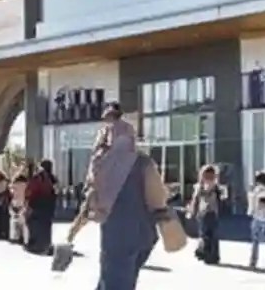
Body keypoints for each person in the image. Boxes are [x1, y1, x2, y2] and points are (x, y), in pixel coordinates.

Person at [92, 113, 173, 289]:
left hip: (116, 234)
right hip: (143, 233)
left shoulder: (102, 162)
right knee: (118, 279)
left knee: (114, 280)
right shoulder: (143, 162)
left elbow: (94, 199)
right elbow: (158, 197)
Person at [188, 165, 224, 265]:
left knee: (207, 235)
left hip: (207, 212)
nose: (209, 178)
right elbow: (195, 200)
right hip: (207, 213)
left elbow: (195, 200)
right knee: (209, 235)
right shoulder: (202, 187)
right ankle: (209, 254)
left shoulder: (207, 187)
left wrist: (192, 211)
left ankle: (207, 254)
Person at [25, 159, 58, 253]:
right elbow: (55, 192)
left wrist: (28, 201)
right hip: (49, 205)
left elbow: (31, 190)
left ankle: (35, 245)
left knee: (34, 225)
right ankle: (46, 244)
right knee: (46, 226)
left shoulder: (38, 177)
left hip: (37, 204)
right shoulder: (52, 178)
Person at [10, 166, 30, 245]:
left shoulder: (13, 184)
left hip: (15, 203)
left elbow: (12, 193)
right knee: (24, 223)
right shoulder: (26, 184)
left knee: (15, 221)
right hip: (23, 203)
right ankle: (24, 238)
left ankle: (16, 237)